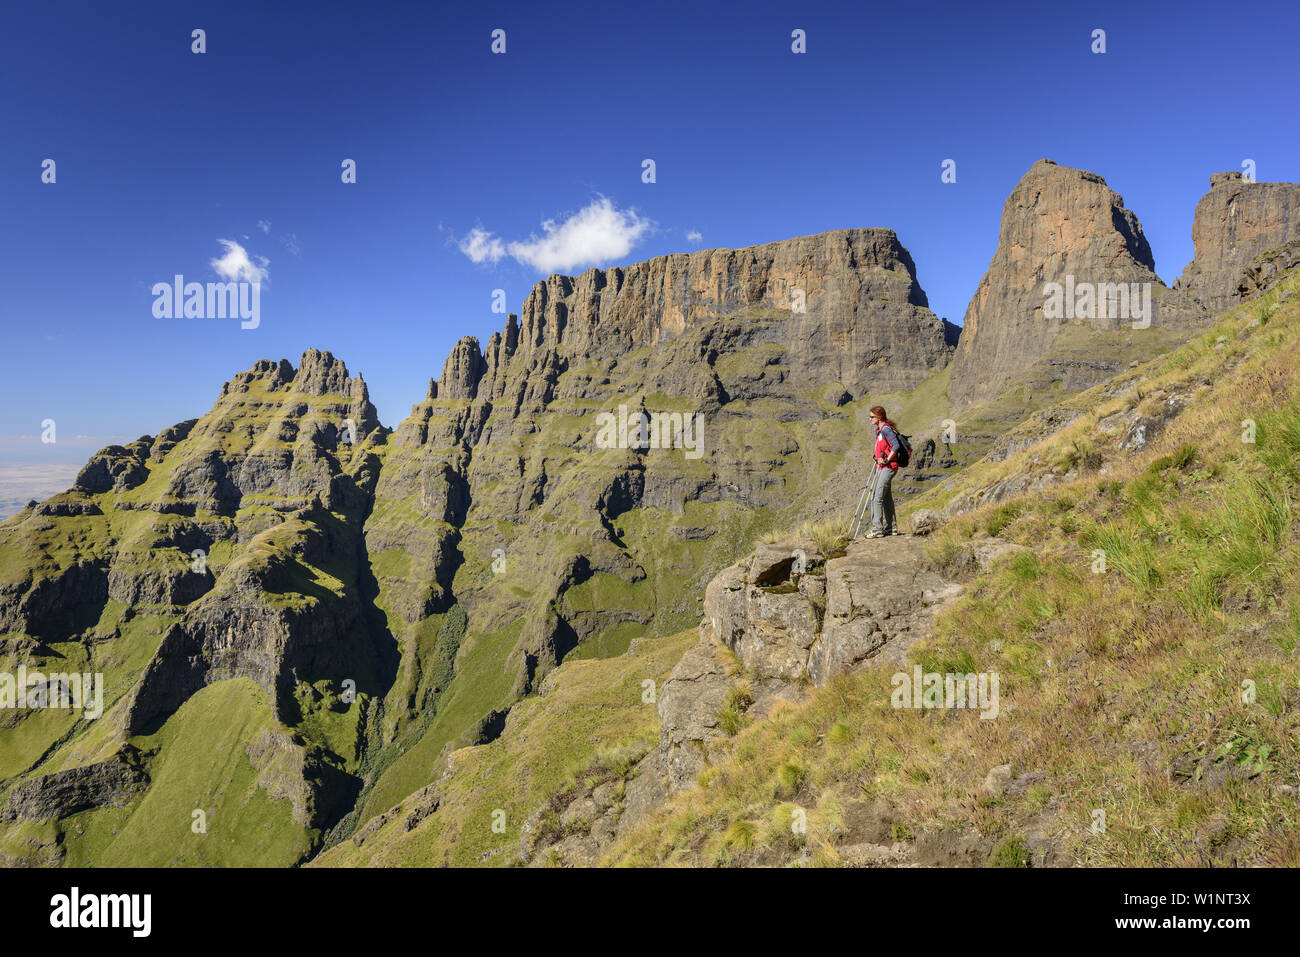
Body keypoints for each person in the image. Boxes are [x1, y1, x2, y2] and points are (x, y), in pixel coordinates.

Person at [866, 406, 900, 538]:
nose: (870, 419)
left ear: (879, 417)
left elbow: (895, 446)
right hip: (882, 467)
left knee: (876, 497)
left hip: (888, 467)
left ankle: (877, 529)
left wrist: (886, 460)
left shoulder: (886, 430)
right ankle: (892, 527)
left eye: (872, 417)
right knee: (886, 497)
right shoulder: (879, 430)